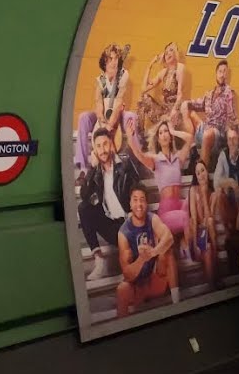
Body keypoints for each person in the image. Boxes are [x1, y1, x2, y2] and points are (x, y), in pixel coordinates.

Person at [78, 127, 142, 281]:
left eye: (105, 144)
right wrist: (92, 169)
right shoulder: (97, 172)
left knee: (134, 270)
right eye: (98, 146)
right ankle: (100, 261)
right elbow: (84, 195)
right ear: (94, 150)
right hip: (111, 226)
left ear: (112, 144)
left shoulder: (124, 164)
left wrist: (134, 210)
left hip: (128, 223)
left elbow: (138, 186)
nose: (103, 150)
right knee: (84, 208)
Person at [124, 118, 192, 256]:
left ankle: (186, 242)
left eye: (166, 131)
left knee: (193, 196)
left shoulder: (177, 159)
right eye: (161, 133)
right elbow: (139, 154)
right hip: (166, 213)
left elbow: (190, 138)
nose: (164, 134)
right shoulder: (156, 160)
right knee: (186, 218)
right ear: (158, 139)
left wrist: (174, 130)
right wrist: (130, 138)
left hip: (179, 206)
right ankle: (188, 250)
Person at [116, 184, 178, 317]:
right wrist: (141, 259)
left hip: (153, 281)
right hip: (136, 287)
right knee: (122, 289)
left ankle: (177, 304)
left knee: (168, 252)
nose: (139, 204)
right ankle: (121, 330)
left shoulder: (152, 218)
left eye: (142, 199)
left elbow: (169, 237)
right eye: (135, 199)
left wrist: (153, 252)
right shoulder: (124, 232)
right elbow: (127, 274)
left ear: (147, 202)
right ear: (130, 203)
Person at [76, 43, 137, 175]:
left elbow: (119, 101)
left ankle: (136, 163)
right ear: (105, 62)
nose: (113, 62)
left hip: (117, 113)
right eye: (110, 59)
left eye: (116, 59)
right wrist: (102, 121)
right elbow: (98, 102)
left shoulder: (123, 75)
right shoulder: (100, 79)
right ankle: (83, 168)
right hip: (103, 115)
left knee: (132, 116)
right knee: (83, 117)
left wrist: (110, 125)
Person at [184, 59, 238, 170]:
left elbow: (231, 115)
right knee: (187, 108)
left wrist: (233, 131)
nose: (222, 75)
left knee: (208, 134)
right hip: (205, 128)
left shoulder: (228, 93)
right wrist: (183, 104)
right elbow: (197, 104)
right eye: (220, 71)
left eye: (225, 72)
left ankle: (201, 170)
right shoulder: (209, 93)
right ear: (216, 74)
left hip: (217, 133)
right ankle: (193, 149)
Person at [136, 42, 187, 136]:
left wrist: (174, 110)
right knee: (143, 98)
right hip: (163, 112)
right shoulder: (163, 72)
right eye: (166, 52)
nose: (168, 54)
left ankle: (163, 129)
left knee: (169, 118)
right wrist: (150, 65)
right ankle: (140, 137)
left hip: (174, 113)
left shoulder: (180, 68)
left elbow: (180, 94)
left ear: (176, 53)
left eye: (171, 50)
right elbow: (143, 89)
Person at [188, 158, 217, 287]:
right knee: (207, 245)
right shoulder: (193, 191)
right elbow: (194, 219)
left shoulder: (213, 194)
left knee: (210, 221)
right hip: (197, 234)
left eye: (202, 171)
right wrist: (195, 244)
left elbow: (209, 216)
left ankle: (212, 282)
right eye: (198, 173)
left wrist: (205, 193)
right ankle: (214, 282)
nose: (201, 175)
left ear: (207, 171)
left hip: (209, 234)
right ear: (195, 176)